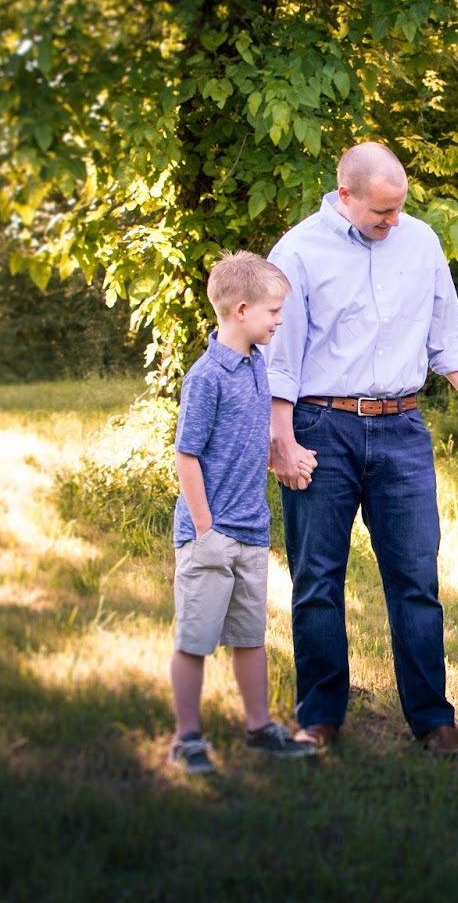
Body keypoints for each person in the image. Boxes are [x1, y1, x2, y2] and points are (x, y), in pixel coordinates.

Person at [266, 141, 458, 756]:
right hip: (321, 427)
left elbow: (446, 338)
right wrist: (282, 440)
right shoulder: (297, 252)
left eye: (399, 209)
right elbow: (278, 360)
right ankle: (320, 716)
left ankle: (433, 720)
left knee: (415, 578)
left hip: (402, 429)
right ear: (344, 195)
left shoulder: (421, 243)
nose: (392, 222)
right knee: (317, 577)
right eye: (380, 212)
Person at [168, 252, 317, 775]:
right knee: (195, 639)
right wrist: (204, 529)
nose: (280, 320)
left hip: (252, 531)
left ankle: (259, 728)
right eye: (274, 311)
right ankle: (186, 738)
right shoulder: (206, 377)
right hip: (211, 534)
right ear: (241, 309)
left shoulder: (258, 365)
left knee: (250, 636)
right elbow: (187, 455)